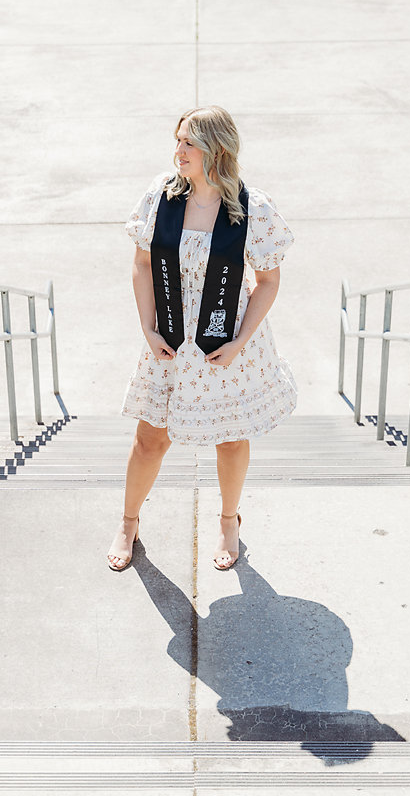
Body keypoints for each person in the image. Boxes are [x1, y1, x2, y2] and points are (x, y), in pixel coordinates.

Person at [107, 105, 297, 572]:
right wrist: (148, 328)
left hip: (225, 345)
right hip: (169, 341)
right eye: (177, 141)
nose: (178, 152)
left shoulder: (253, 209)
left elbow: (268, 281)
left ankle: (229, 520)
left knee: (230, 439)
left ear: (218, 148)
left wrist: (240, 342)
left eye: (188, 142)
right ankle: (129, 521)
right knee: (149, 440)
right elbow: (142, 264)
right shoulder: (161, 196)